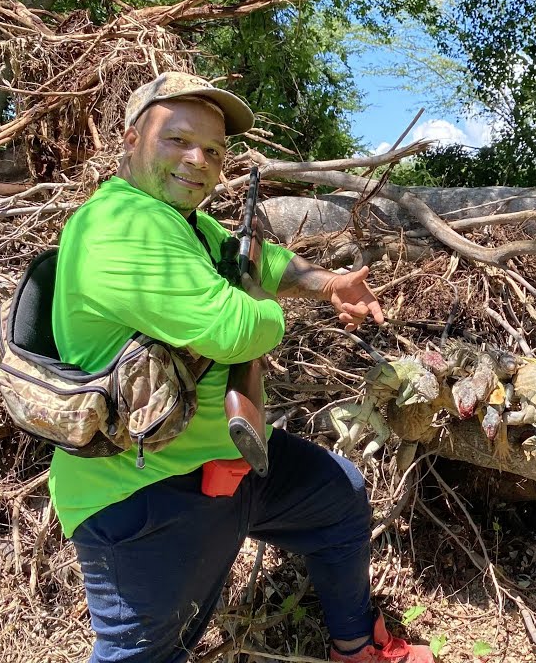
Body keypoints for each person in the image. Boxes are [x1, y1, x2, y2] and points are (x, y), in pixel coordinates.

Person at [49, 71, 433, 663]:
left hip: (227, 461)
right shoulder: (117, 225)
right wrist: (265, 308)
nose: (198, 159)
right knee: (144, 653)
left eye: (214, 149)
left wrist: (328, 284)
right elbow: (235, 328)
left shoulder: (185, 223)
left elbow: (258, 260)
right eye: (177, 140)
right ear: (130, 139)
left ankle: (354, 645)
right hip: (143, 492)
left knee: (338, 496)